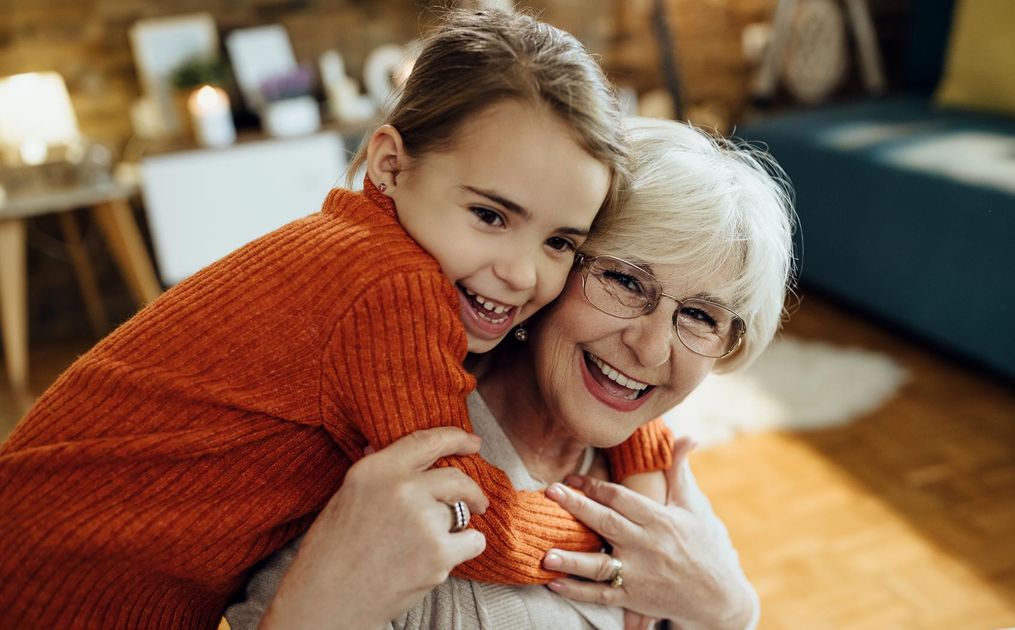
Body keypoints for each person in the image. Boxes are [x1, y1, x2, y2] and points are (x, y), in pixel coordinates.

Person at [0, 10, 677, 629]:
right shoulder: (391, 285)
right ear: (389, 166)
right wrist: (616, 543)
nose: (524, 272)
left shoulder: (374, 247)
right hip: (56, 594)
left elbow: (599, 350)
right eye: (491, 215)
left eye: (560, 242)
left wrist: (639, 441)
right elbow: (467, 514)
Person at [224, 117, 797, 629]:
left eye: (700, 316)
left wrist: (728, 605)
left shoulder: (663, 484)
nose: (651, 349)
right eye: (624, 281)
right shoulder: (387, 461)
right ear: (551, 261)